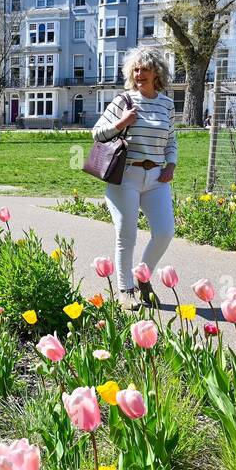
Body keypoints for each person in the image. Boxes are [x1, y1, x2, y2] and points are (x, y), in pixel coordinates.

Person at [91, 44, 177, 310]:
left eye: (145, 69)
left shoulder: (166, 104)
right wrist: (121, 123)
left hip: (156, 178)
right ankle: (125, 288)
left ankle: (143, 277)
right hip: (125, 176)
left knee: (164, 232)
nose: (140, 74)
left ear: (156, 73)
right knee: (126, 234)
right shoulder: (123, 101)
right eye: (136, 69)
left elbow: (171, 139)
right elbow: (97, 133)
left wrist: (171, 164)